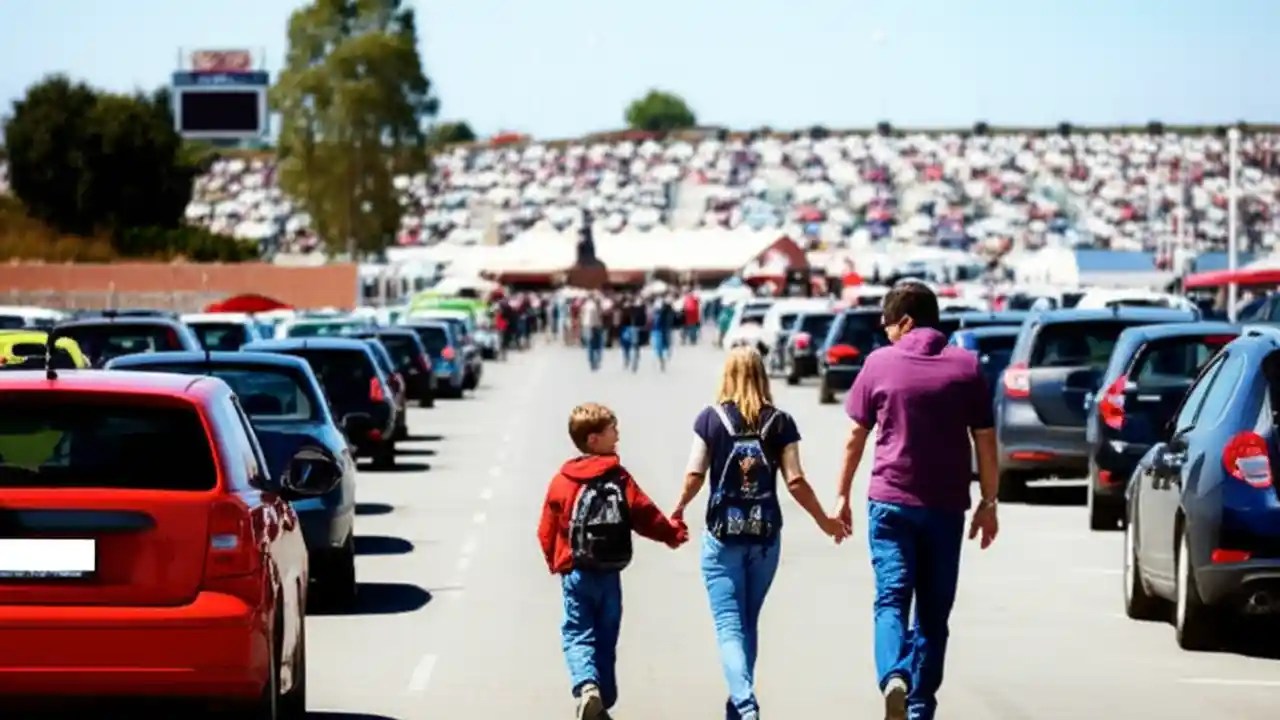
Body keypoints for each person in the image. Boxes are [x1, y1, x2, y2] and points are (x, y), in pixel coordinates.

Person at [834, 281, 999, 720]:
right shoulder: (966, 367)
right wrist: (989, 502)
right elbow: (985, 440)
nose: (886, 333)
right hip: (945, 508)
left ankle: (893, 676)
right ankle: (920, 707)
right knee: (933, 613)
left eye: (887, 325)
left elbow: (855, 437)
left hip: (890, 502)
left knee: (891, 598)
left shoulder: (878, 364)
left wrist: (841, 495)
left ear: (905, 322)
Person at [672, 347, 849, 720]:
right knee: (748, 620)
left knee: (729, 625)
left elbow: (695, 473)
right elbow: (795, 480)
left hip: (722, 536)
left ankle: (744, 703)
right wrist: (824, 520)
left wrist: (679, 507)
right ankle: (740, 705)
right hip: (765, 537)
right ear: (762, 376)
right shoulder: (780, 423)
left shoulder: (710, 419)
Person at [538, 403, 689, 720]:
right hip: (610, 572)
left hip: (576, 572)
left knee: (578, 632)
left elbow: (546, 530)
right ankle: (602, 698)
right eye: (612, 430)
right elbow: (644, 514)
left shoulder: (562, 481)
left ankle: (587, 688)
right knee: (606, 637)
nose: (618, 435)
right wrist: (671, 534)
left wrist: (558, 562)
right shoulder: (618, 478)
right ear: (594, 439)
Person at [581, 293, 604, 371]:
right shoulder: (594, 307)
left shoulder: (586, 305)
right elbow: (594, 318)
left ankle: (592, 361)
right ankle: (595, 361)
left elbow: (583, 315)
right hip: (594, 327)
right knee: (596, 345)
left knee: (591, 345)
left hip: (588, 326)